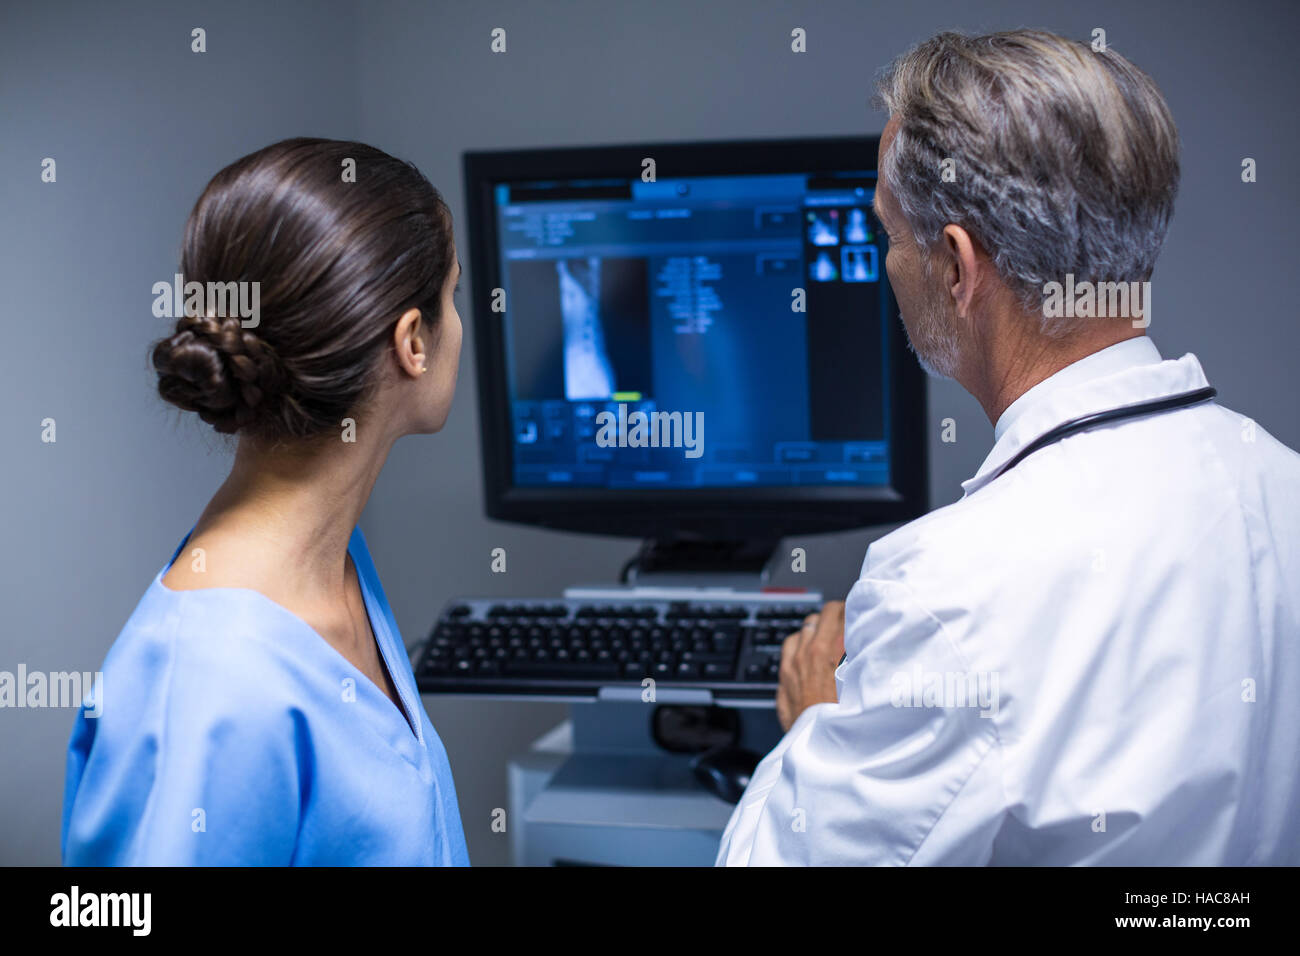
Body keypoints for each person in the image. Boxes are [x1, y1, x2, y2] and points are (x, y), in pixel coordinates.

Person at [717, 30, 1300, 865]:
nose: (884, 262)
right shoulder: (1285, 487)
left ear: (956, 267)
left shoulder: (948, 590)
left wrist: (817, 729)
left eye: (887, 232)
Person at [61, 138, 470, 865]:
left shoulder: (332, 569)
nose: (459, 325)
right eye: (453, 296)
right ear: (413, 341)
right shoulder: (213, 684)